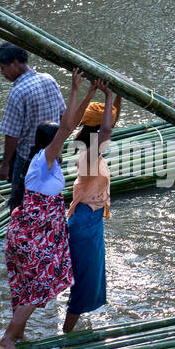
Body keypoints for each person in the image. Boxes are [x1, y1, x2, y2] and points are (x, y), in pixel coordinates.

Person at [0, 70, 93, 349]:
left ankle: (19, 333)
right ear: (52, 143)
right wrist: (75, 87)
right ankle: (7, 339)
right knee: (40, 287)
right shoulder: (43, 160)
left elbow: (70, 125)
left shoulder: (47, 164)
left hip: (32, 232)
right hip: (34, 235)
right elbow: (65, 128)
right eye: (60, 140)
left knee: (25, 284)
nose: (64, 142)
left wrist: (89, 94)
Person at [63, 85, 120, 333]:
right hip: (84, 223)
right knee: (85, 280)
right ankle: (66, 332)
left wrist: (118, 93)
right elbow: (108, 128)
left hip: (92, 222)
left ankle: (71, 328)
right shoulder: (89, 155)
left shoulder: (92, 149)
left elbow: (110, 124)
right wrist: (108, 96)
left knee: (91, 277)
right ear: (97, 131)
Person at [0, 42, 65, 210]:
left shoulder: (19, 92)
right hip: (53, 156)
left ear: (15, 63)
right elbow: (63, 117)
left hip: (28, 158)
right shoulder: (49, 79)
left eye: (3, 68)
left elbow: (12, 135)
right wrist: (59, 148)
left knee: (20, 202)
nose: (2, 73)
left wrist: (5, 164)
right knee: (47, 201)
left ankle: (21, 233)